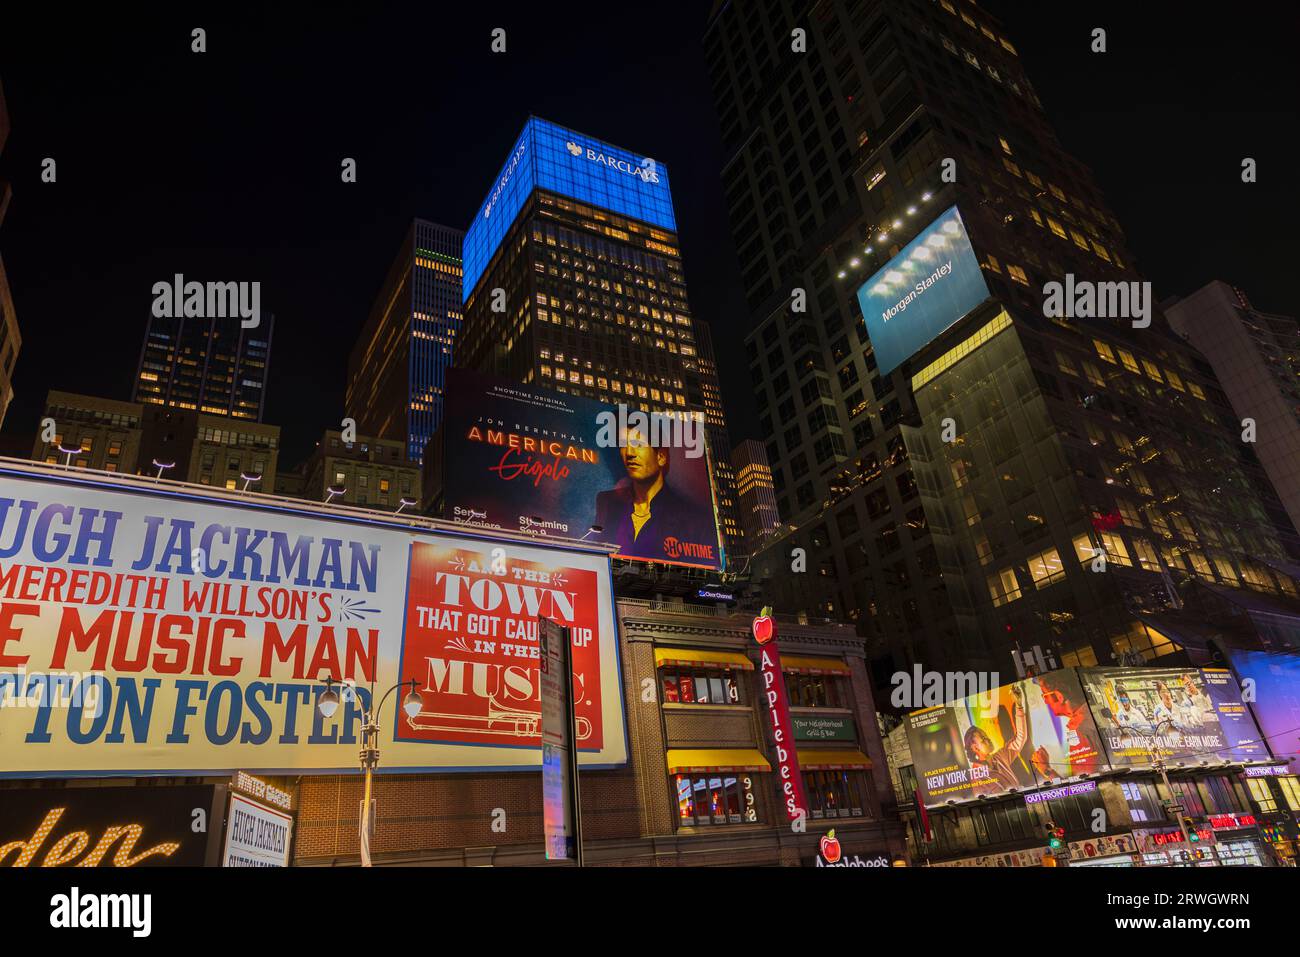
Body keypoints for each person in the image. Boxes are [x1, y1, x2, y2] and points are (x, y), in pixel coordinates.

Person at [593, 427, 715, 563]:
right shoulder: (608, 502)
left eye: (637, 444)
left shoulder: (695, 520)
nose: (629, 453)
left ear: (661, 457)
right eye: (623, 445)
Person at [963, 685, 1028, 795]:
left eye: (986, 737)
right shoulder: (977, 778)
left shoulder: (999, 757)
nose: (989, 740)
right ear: (975, 748)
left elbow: (1020, 738)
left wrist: (1019, 705)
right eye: (983, 739)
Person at [1034, 671, 1100, 775]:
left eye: (1045, 696)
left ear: (1059, 696)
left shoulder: (1080, 731)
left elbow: (1083, 785)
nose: (1045, 702)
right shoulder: (1091, 714)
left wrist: (1045, 769)